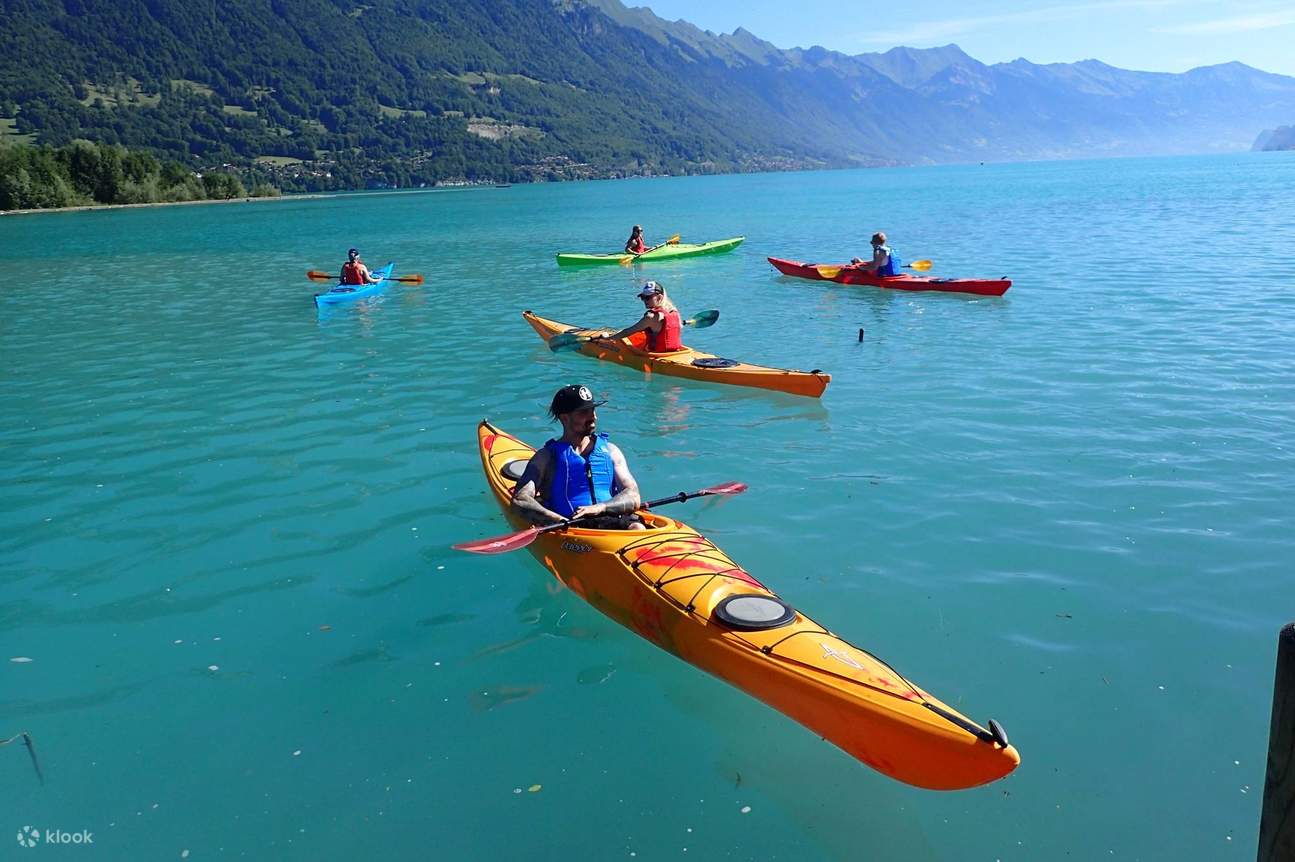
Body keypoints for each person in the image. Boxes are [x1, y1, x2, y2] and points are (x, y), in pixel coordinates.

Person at [511, 385, 646, 530]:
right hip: (570, 527)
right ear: (565, 418)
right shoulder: (546, 458)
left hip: (611, 520)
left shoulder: (611, 451)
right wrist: (555, 519)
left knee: (638, 528)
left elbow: (633, 496)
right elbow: (520, 500)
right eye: (584, 412)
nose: (593, 416)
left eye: (593, 410)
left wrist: (601, 507)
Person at [596, 281, 683, 353]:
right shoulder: (674, 312)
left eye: (648, 297)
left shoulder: (651, 317)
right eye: (643, 297)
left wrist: (607, 339)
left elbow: (627, 332)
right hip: (675, 351)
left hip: (656, 354)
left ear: (659, 297)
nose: (644, 300)